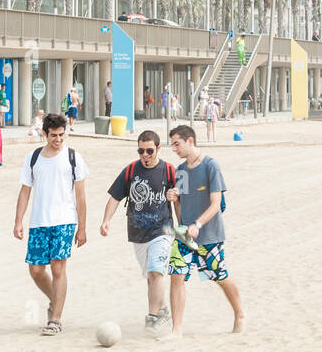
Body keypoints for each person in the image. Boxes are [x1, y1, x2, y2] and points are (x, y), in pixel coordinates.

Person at [166, 125, 245, 335]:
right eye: (172, 145)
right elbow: (181, 210)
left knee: (219, 276)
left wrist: (198, 225)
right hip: (185, 235)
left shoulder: (211, 165)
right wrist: (175, 198)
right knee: (176, 276)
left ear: (190, 141)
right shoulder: (180, 170)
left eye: (177, 144)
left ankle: (239, 313)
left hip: (209, 234)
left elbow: (216, 203)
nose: (174, 149)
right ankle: (177, 330)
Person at [14, 114, 88, 337]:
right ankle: (55, 300)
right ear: (44, 134)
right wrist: (18, 220)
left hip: (64, 220)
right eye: (53, 135)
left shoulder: (73, 157)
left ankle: (55, 318)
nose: (58, 139)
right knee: (36, 270)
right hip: (39, 221)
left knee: (58, 268)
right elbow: (25, 190)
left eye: (61, 135)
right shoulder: (33, 157)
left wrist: (82, 227)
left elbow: (81, 196)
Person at [100, 130, 175, 336]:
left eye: (149, 151)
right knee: (151, 277)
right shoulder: (131, 170)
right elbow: (115, 198)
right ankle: (164, 310)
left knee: (155, 272)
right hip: (137, 233)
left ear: (158, 148)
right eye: (141, 151)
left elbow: (179, 200)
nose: (145, 155)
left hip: (163, 230)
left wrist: (184, 224)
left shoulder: (169, 170)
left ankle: (152, 317)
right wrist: (106, 220)